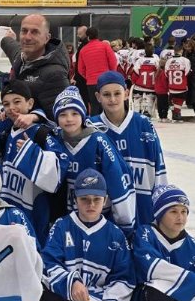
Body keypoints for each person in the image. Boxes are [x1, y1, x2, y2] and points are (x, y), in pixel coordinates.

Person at [39, 169, 135, 301]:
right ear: (75, 199)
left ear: (105, 200)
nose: (91, 205)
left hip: (98, 297)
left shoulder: (115, 235)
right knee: (47, 293)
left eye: (96, 199)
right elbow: (48, 262)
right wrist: (72, 281)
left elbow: (124, 278)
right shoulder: (62, 226)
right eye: (85, 199)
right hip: (69, 293)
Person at [52, 86, 136, 235]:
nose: (69, 119)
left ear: (83, 115)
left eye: (74, 113)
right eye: (63, 114)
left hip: (98, 218)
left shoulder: (98, 141)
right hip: (67, 218)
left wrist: (125, 223)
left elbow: (117, 179)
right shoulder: (54, 139)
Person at [92, 70, 167, 227]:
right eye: (106, 95)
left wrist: (162, 204)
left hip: (143, 206)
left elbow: (158, 168)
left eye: (117, 93)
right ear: (98, 97)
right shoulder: (92, 127)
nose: (112, 99)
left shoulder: (144, 124)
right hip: (107, 211)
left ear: (126, 94)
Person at [0, 80, 61, 246]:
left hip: (35, 207)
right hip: (9, 205)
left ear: (30, 103)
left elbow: (60, 167)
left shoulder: (41, 132)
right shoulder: (6, 130)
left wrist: (33, 153)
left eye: (17, 101)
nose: (11, 107)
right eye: (6, 104)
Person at [1, 14, 72, 110]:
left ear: (47, 38)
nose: (27, 37)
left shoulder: (55, 74)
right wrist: (7, 38)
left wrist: (35, 116)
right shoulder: (19, 57)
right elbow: (10, 46)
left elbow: (63, 114)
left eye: (34, 32)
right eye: (24, 31)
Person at [75, 26, 118, 113]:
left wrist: (88, 76)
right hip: (105, 81)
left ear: (87, 36)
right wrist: (110, 75)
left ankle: (94, 125)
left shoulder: (83, 50)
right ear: (98, 35)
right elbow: (113, 62)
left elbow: (80, 69)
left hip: (91, 82)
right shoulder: (105, 46)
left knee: (94, 106)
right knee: (106, 105)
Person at [129, 46, 160, 119]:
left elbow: (135, 72)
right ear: (153, 51)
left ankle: (137, 111)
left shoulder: (140, 60)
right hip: (151, 86)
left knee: (137, 99)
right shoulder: (156, 60)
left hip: (139, 85)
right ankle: (147, 111)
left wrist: (134, 82)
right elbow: (158, 73)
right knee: (149, 99)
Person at [164, 44, 192, 123]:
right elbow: (187, 72)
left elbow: (166, 74)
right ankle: (177, 113)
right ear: (181, 51)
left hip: (171, 86)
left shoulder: (168, 61)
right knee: (179, 99)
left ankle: (175, 112)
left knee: (174, 99)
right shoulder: (185, 60)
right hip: (181, 86)